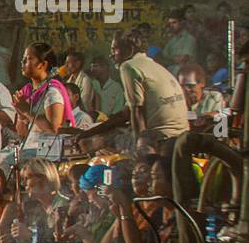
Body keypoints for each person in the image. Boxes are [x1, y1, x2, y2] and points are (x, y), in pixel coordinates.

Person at [76, 31, 189, 159]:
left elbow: (136, 112)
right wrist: (90, 132)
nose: (111, 54)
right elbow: (126, 114)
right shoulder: (152, 65)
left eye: (114, 49)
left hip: (161, 137)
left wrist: (141, 154)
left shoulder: (128, 66)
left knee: (97, 142)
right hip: (181, 135)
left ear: (130, 49)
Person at [7, 43, 75, 158]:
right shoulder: (28, 92)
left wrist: (27, 112)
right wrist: (21, 115)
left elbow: (54, 130)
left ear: (42, 64)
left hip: (45, 153)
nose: (22, 62)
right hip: (28, 148)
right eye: (23, 59)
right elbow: (22, 135)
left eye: (28, 59)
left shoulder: (52, 92)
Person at [63, 50, 96, 116]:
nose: (66, 66)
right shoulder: (68, 81)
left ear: (78, 63)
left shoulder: (85, 80)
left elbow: (84, 102)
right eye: (65, 63)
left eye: (68, 63)